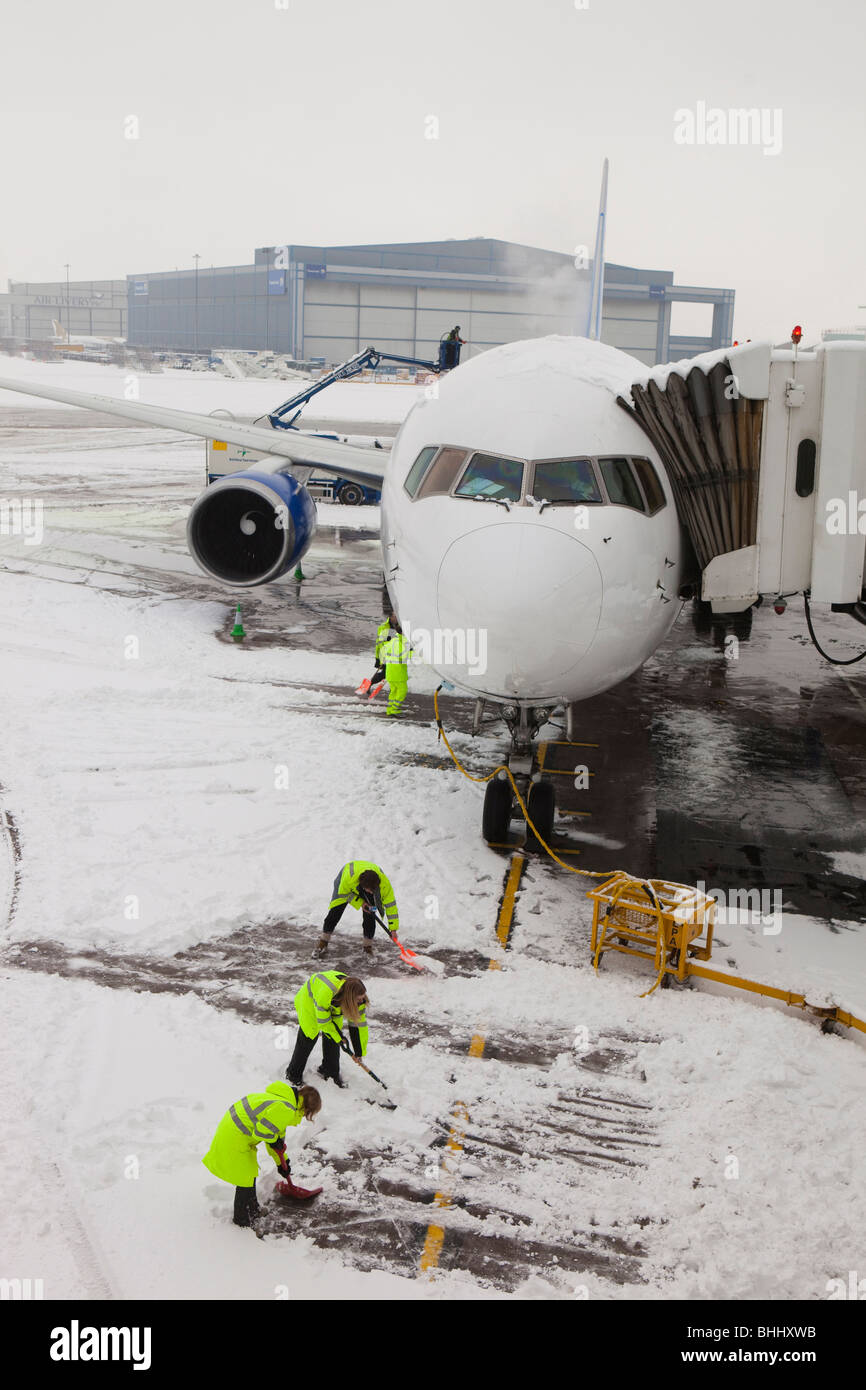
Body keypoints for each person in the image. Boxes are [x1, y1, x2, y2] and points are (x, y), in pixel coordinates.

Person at [202, 1080, 321, 1228]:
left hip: (235, 1133)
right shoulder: (285, 1109)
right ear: (306, 1109)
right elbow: (263, 1132)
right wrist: (274, 1141)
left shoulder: (283, 1101)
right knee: (244, 1180)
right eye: (308, 1114)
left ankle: (254, 1210)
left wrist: (282, 1163)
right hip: (235, 1137)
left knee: (249, 1174)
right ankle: (242, 1222)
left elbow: (275, 1137)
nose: (304, 1116)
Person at [285, 971, 369, 1089]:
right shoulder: (326, 992)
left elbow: (359, 1025)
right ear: (349, 999)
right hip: (310, 1002)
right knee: (309, 1036)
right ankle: (293, 1074)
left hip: (335, 1005)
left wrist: (359, 1052)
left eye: (362, 998)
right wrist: (340, 1038)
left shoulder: (359, 999)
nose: (361, 1001)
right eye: (359, 999)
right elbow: (324, 1024)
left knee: (333, 1038)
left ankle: (330, 1072)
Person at [315, 861, 400, 956]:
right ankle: (323, 941)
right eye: (370, 891)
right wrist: (361, 903)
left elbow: (391, 906)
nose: (372, 893)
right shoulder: (348, 879)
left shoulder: (384, 885)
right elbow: (343, 893)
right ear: (363, 887)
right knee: (336, 911)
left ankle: (367, 947)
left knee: (370, 913)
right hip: (345, 885)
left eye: (373, 891)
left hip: (368, 882)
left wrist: (393, 929)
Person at [355, 610, 395, 700]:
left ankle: (372, 684)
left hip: (394, 655)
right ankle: (371, 683)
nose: (396, 618)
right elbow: (380, 643)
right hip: (386, 655)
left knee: (388, 673)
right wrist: (380, 657)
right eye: (394, 616)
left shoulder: (398, 626)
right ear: (390, 617)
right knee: (386, 673)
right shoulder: (384, 627)